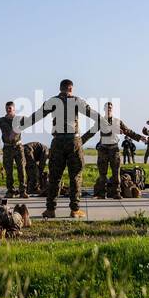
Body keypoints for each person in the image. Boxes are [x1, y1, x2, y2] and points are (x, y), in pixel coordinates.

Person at [20, 79, 102, 218]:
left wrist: (21, 126)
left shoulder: (52, 101)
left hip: (57, 141)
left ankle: (50, 209)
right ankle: (74, 210)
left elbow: (37, 115)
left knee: (54, 177)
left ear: (61, 88)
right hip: (73, 141)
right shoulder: (76, 101)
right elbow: (96, 117)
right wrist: (83, 139)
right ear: (71, 88)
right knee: (75, 176)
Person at [80, 101, 146, 200]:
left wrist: (140, 137)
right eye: (107, 107)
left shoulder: (117, 121)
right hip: (103, 149)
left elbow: (128, 131)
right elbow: (91, 132)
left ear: (112, 109)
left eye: (110, 107)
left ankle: (117, 193)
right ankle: (101, 194)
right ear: (104, 109)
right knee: (102, 173)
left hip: (114, 149)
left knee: (116, 172)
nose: (109, 109)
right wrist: (79, 142)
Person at [0, 101, 27, 198]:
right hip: (7, 148)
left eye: (10, 108)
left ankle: (23, 190)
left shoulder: (19, 119)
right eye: (7, 108)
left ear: (14, 109)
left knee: (21, 169)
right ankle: (10, 191)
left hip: (18, 147)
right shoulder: (1, 120)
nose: (8, 110)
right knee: (8, 170)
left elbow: (30, 120)